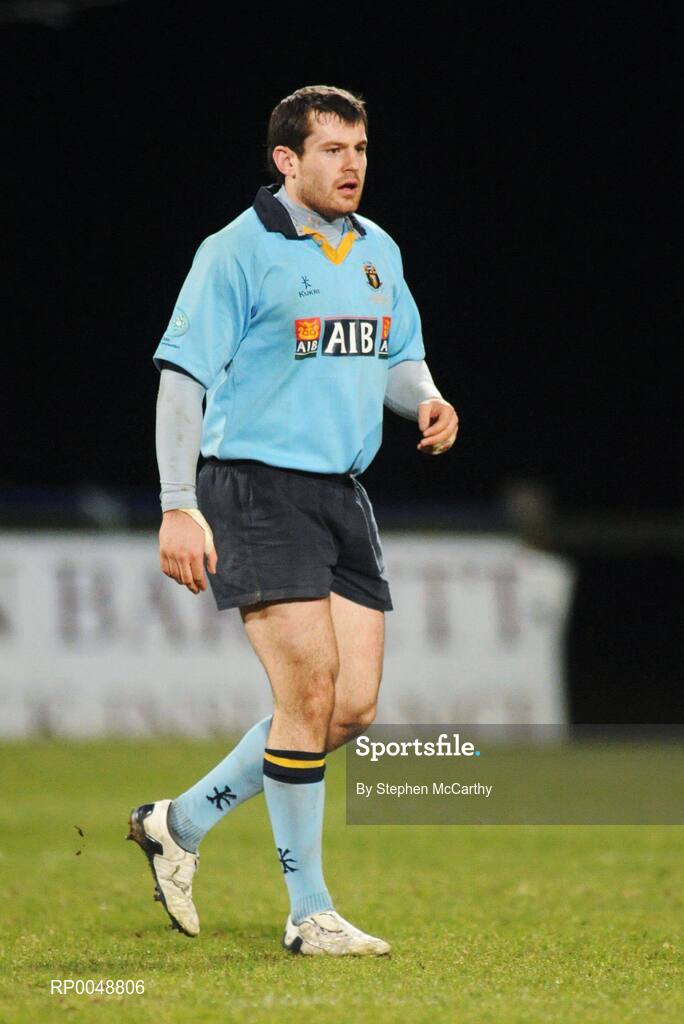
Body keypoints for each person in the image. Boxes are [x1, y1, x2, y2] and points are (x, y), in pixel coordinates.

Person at [126, 85, 459, 957]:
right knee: (306, 699)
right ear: (287, 159)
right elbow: (182, 379)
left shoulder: (376, 248)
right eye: (332, 149)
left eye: (359, 148)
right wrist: (175, 506)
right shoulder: (237, 251)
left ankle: (179, 822)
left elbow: (396, 356)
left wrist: (425, 401)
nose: (352, 164)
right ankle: (309, 912)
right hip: (255, 487)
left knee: (349, 708)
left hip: (343, 493)